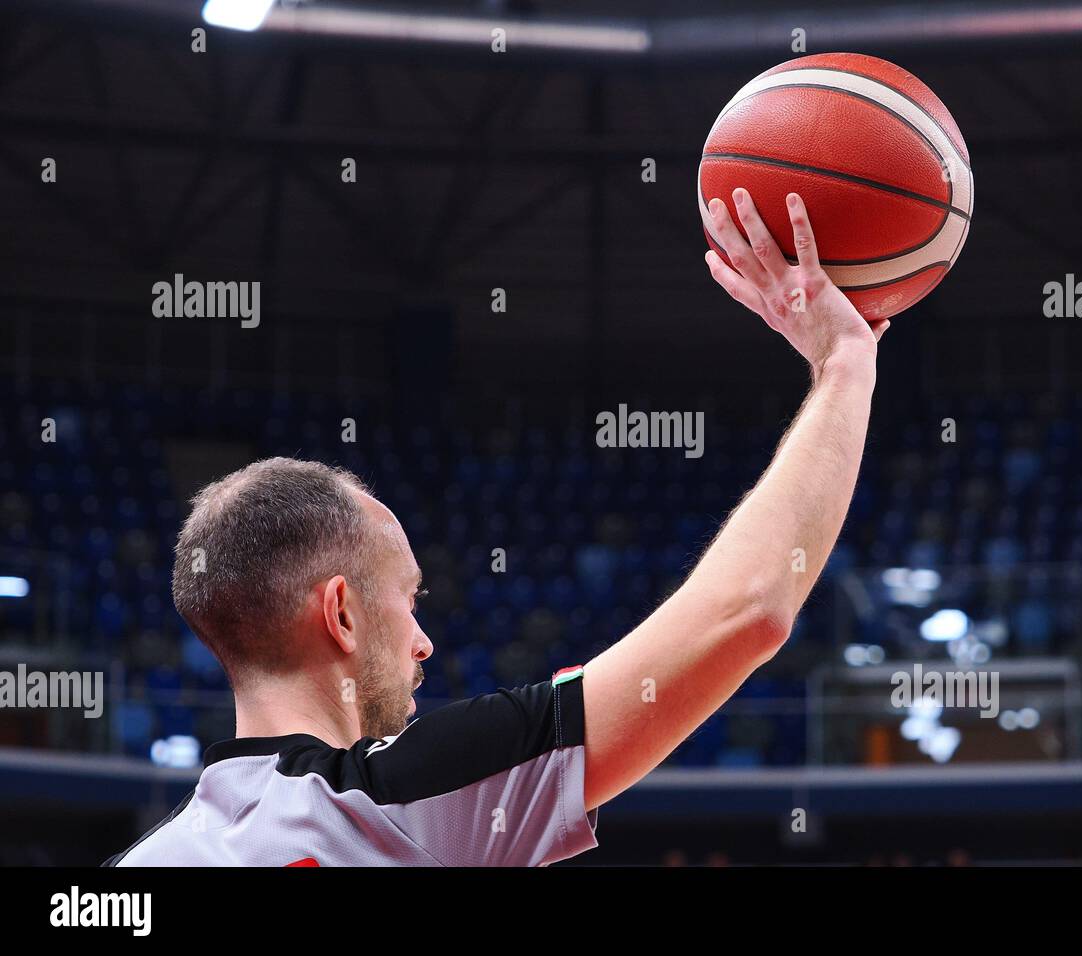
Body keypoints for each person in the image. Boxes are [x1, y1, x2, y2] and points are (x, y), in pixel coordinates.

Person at [106, 189, 887, 866]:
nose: (424, 641)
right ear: (341, 612)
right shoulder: (407, 796)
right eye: (407, 600)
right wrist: (844, 363)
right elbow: (747, 609)